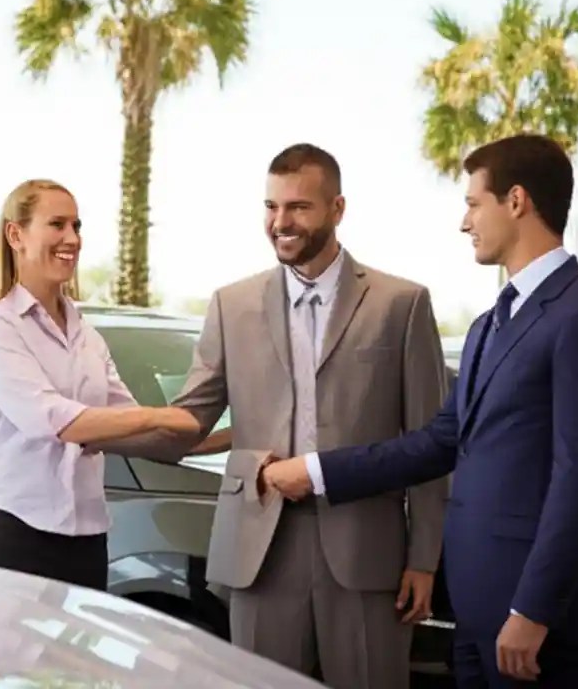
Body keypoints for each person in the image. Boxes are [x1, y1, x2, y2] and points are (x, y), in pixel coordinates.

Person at [261, 134, 578, 687]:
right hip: (475, 612)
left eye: (472, 203)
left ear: (516, 201)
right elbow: (438, 442)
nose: (465, 222)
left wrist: (532, 610)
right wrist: (315, 472)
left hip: (533, 627)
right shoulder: (491, 323)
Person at [95, 144, 450, 688]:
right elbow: (191, 417)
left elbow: (429, 442)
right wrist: (94, 429)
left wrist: (424, 557)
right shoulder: (230, 305)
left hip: (366, 549)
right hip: (258, 546)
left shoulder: (401, 304)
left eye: (298, 207)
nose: (280, 222)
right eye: (271, 207)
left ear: (338, 208)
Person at [0, 178, 200, 591]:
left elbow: (131, 428)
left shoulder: (87, 336)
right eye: (57, 225)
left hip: (86, 536)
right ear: (15, 234)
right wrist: (162, 416)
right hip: (17, 533)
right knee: (17, 659)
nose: (71, 238)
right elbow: (55, 421)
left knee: (71, 660)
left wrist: (228, 436)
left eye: (76, 226)